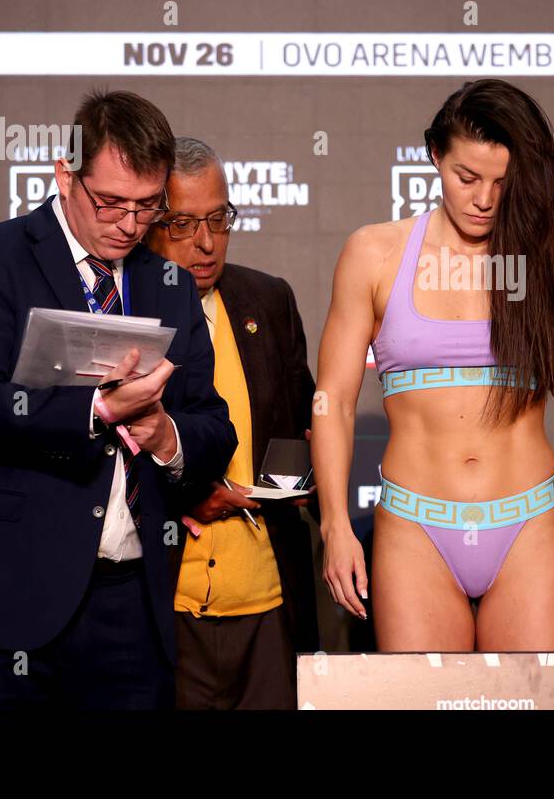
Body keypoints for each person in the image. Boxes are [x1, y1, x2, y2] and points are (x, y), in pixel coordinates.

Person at [0, 91, 236, 709]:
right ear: (65, 175)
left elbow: (214, 426)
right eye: (110, 201)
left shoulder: (167, 283)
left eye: (148, 206)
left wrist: (167, 437)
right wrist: (97, 412)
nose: (130, 224)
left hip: (128, 611)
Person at [313, 79, 554, 650]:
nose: (484, 199)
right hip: (414, 527)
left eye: (503, 183)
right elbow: (333, 400)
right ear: (435, 157)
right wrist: (334, 525)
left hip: (529, 525)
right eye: (467, 177)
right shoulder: (374, 253)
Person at [146, 136, 318, 709]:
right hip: (165, 605)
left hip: (269, 603)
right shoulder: (121, 309)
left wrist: (307, 480)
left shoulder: (267, 300)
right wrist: (187, 499)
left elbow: (302, 424)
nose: (205, 242)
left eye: (219, 219)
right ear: (149, 223)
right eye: (184, 224)